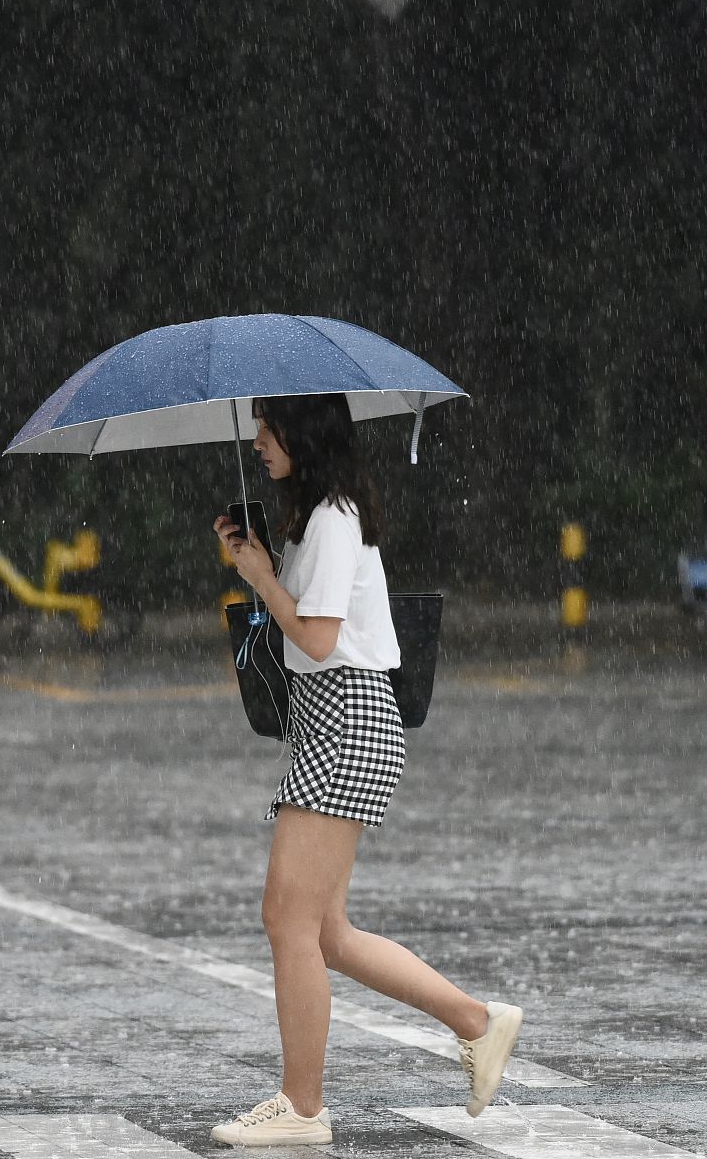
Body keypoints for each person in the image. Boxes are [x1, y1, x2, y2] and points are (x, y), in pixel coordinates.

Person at [209, 393, 522, 1147]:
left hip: (347, 720)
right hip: (332, 720)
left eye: (267, 426)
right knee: (327, 934)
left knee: (287, 920)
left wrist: (257, 575)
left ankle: (303, 1106)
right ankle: (478, 1022)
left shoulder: (333, 518)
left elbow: (316, 637)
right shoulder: (315, 517)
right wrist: (261, 559)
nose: (258, 441)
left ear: (302, 431)